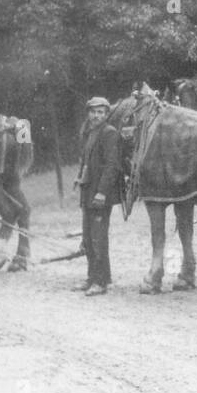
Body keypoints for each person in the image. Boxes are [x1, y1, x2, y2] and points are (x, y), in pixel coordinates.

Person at [73, 97, 124, 296]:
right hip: (88, 192)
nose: (97, 115)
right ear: (88, 113)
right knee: (88, 236)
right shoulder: (89, 133)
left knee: (98, 238)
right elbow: (85, 161)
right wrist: (80, 178)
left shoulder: (109, 133)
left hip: (100, 194)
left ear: (106, 114)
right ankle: (93, 277)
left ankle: (100, 282)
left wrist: (102, 192)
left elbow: (112, 166)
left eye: (101, 112)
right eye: (93, 112)